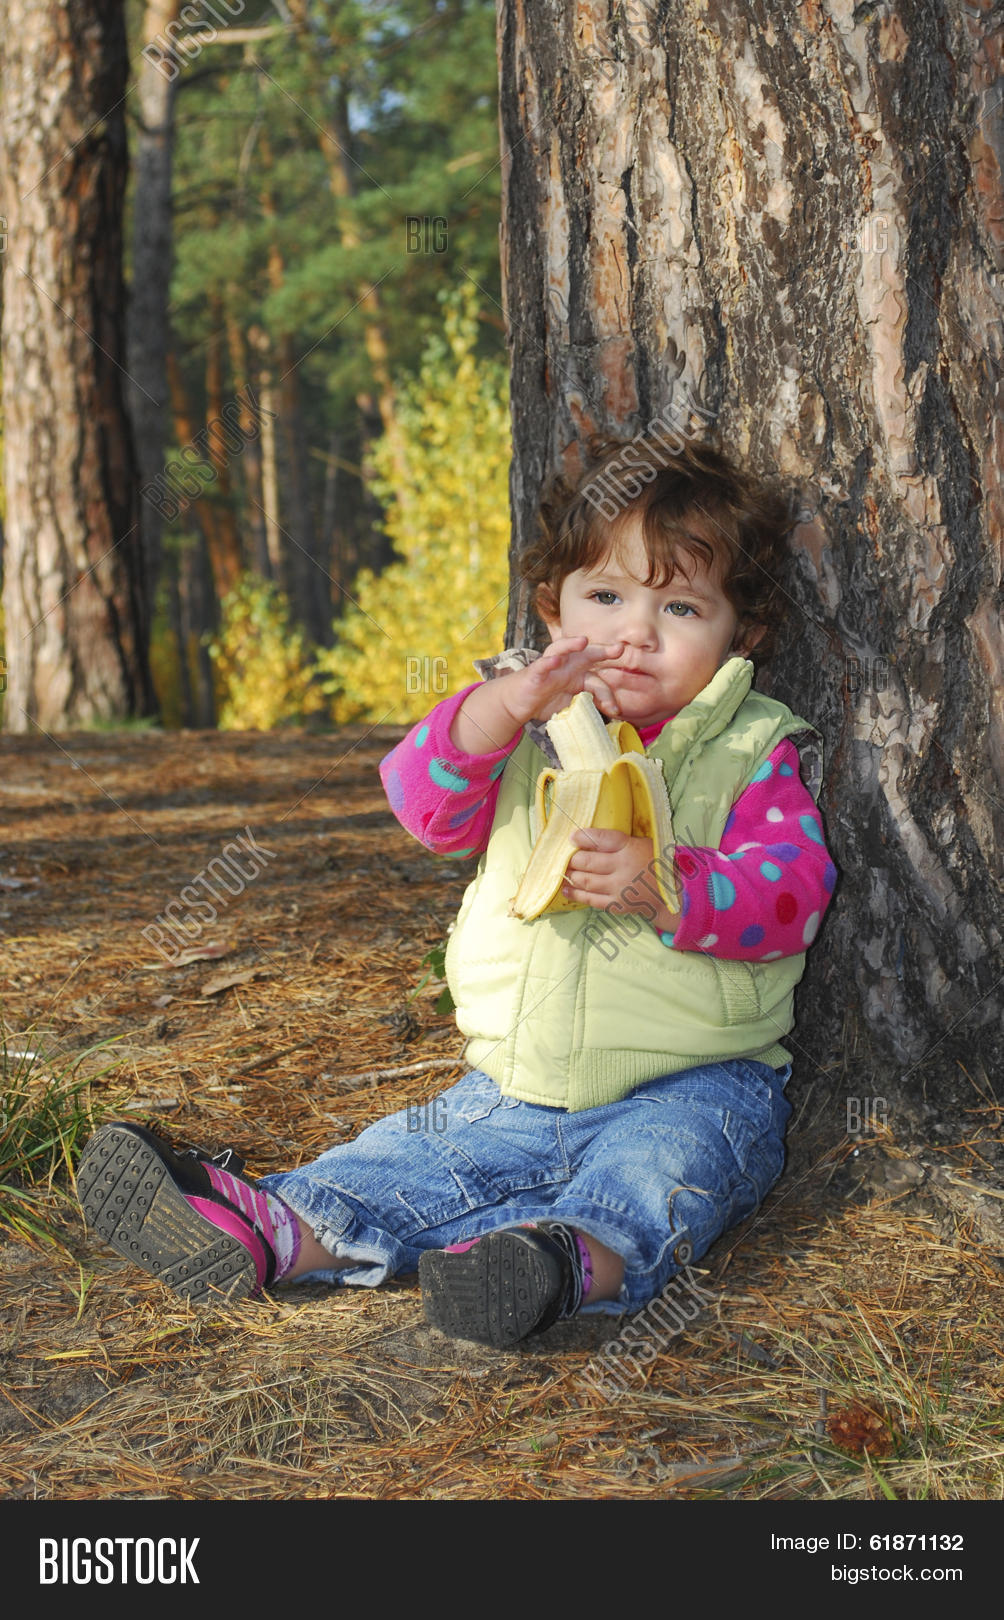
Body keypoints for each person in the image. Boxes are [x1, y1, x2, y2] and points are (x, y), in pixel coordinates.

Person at [78, 431, 836, 1349]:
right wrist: (499, 710)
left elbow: (794, 893)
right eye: (606, 597)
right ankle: (276, 1230)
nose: (635, 633)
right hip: (515, 1086)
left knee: (663, 1175)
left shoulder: (750, 746)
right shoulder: (524, 722)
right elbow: (422, 806)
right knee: (413, 1160)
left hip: (694, 1082)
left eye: (679, 607)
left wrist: (672, 885)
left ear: (738, 636)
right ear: (553, 609)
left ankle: (559, 1265)